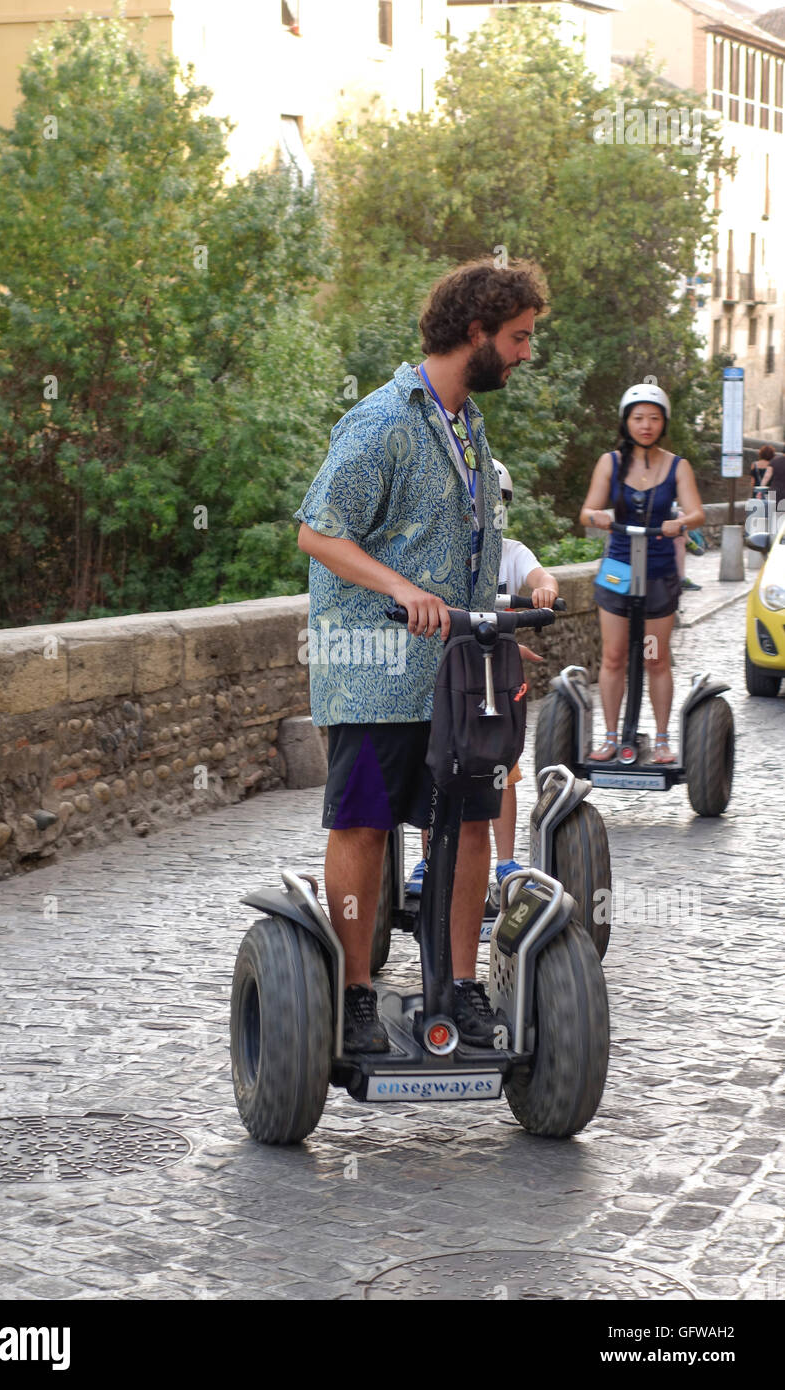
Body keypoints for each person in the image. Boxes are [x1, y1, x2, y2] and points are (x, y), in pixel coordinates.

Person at [295, 258, 547, 1052]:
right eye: (518, 337)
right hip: (373, 667)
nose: (526, 353)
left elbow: (478, 547)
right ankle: (355, 996)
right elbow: (318, 531)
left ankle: (461, 988)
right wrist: (401, 589)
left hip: (456, 674)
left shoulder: (468, 423)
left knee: (472, 824)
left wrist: (497, 628)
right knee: (365, 826)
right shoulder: (381, 422)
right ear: (474, 332)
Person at [405, 460, 559, 895]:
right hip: (452, 674)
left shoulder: (510, 553)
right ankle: (427, 859)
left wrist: (545, 587)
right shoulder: (442, 556)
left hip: (496, 671)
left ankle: (506, 861)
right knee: (439, 759)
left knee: (501, 766)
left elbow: (539, 575)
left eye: (491, 504)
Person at [579, 383, 705, 764]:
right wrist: (597, 517)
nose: (646, 425)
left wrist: (680, 521)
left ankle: (664, 740)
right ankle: (611, 737)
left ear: (663, 422)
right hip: (618, 569)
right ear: (626, 422)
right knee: (614, 656)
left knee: (655, 657)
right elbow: (586, 511)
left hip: (658, 572)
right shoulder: (610, 463)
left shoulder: (677, 465)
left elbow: (698, 513)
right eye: (638, 418)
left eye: (653, 418)